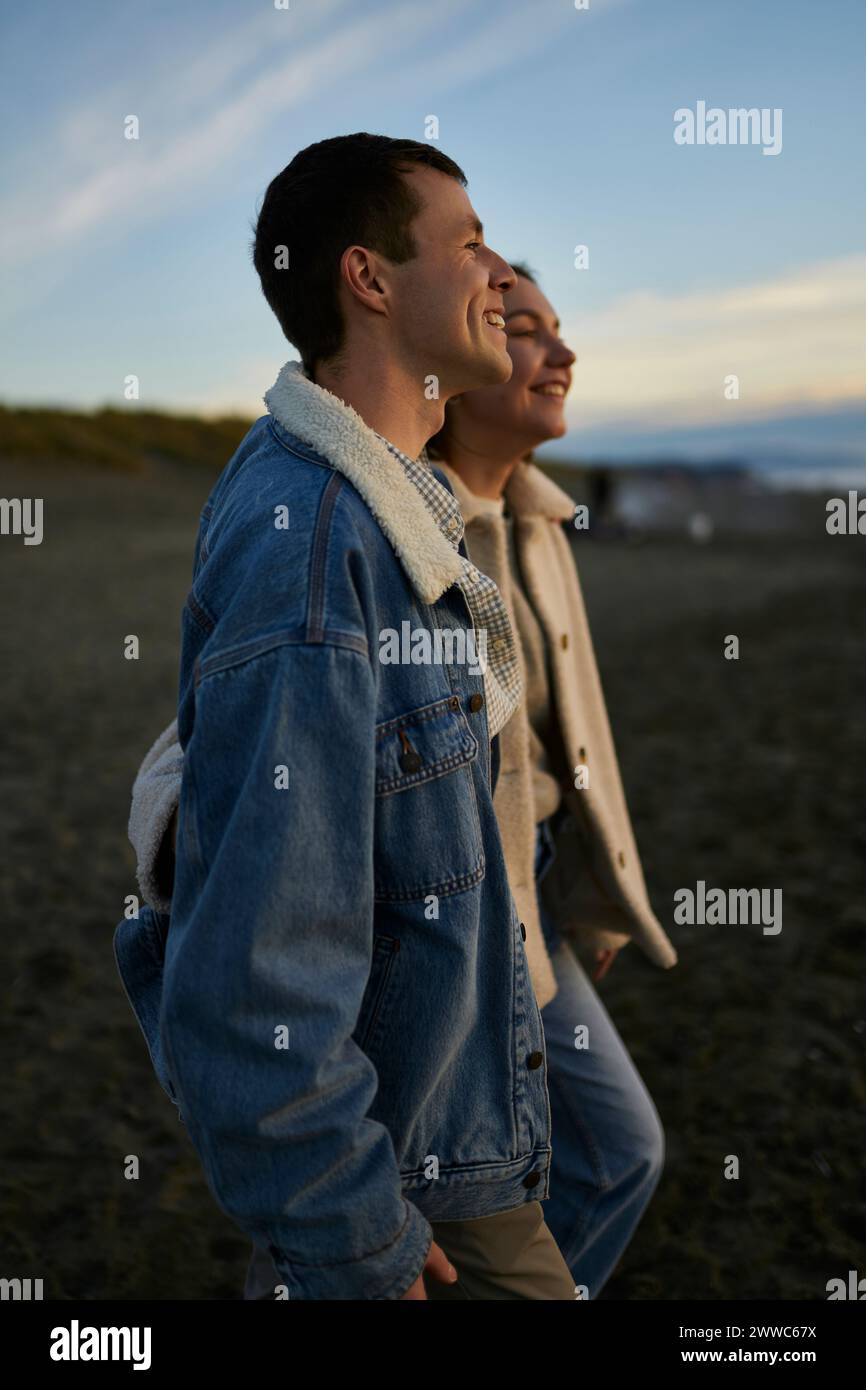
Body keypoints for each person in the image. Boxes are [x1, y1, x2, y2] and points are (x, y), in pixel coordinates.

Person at [113, 133, 577, 1301]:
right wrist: (351, 1232)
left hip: (443, 1131)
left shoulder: (384, 499)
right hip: (397, 1177)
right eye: (468, 242)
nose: (498, 278)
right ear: (368, 280)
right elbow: (255, 974)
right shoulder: (322, 546)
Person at [425, 264, 678, 1297]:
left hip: (538, 906)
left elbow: (575, 738)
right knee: (415, 1202)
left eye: (557, 329)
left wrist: (597, 897)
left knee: (619, 1151)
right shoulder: (405, 530)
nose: (558, 353)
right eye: (521, 330)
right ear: (456, 362)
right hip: (454, 926)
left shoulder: (536, 519)